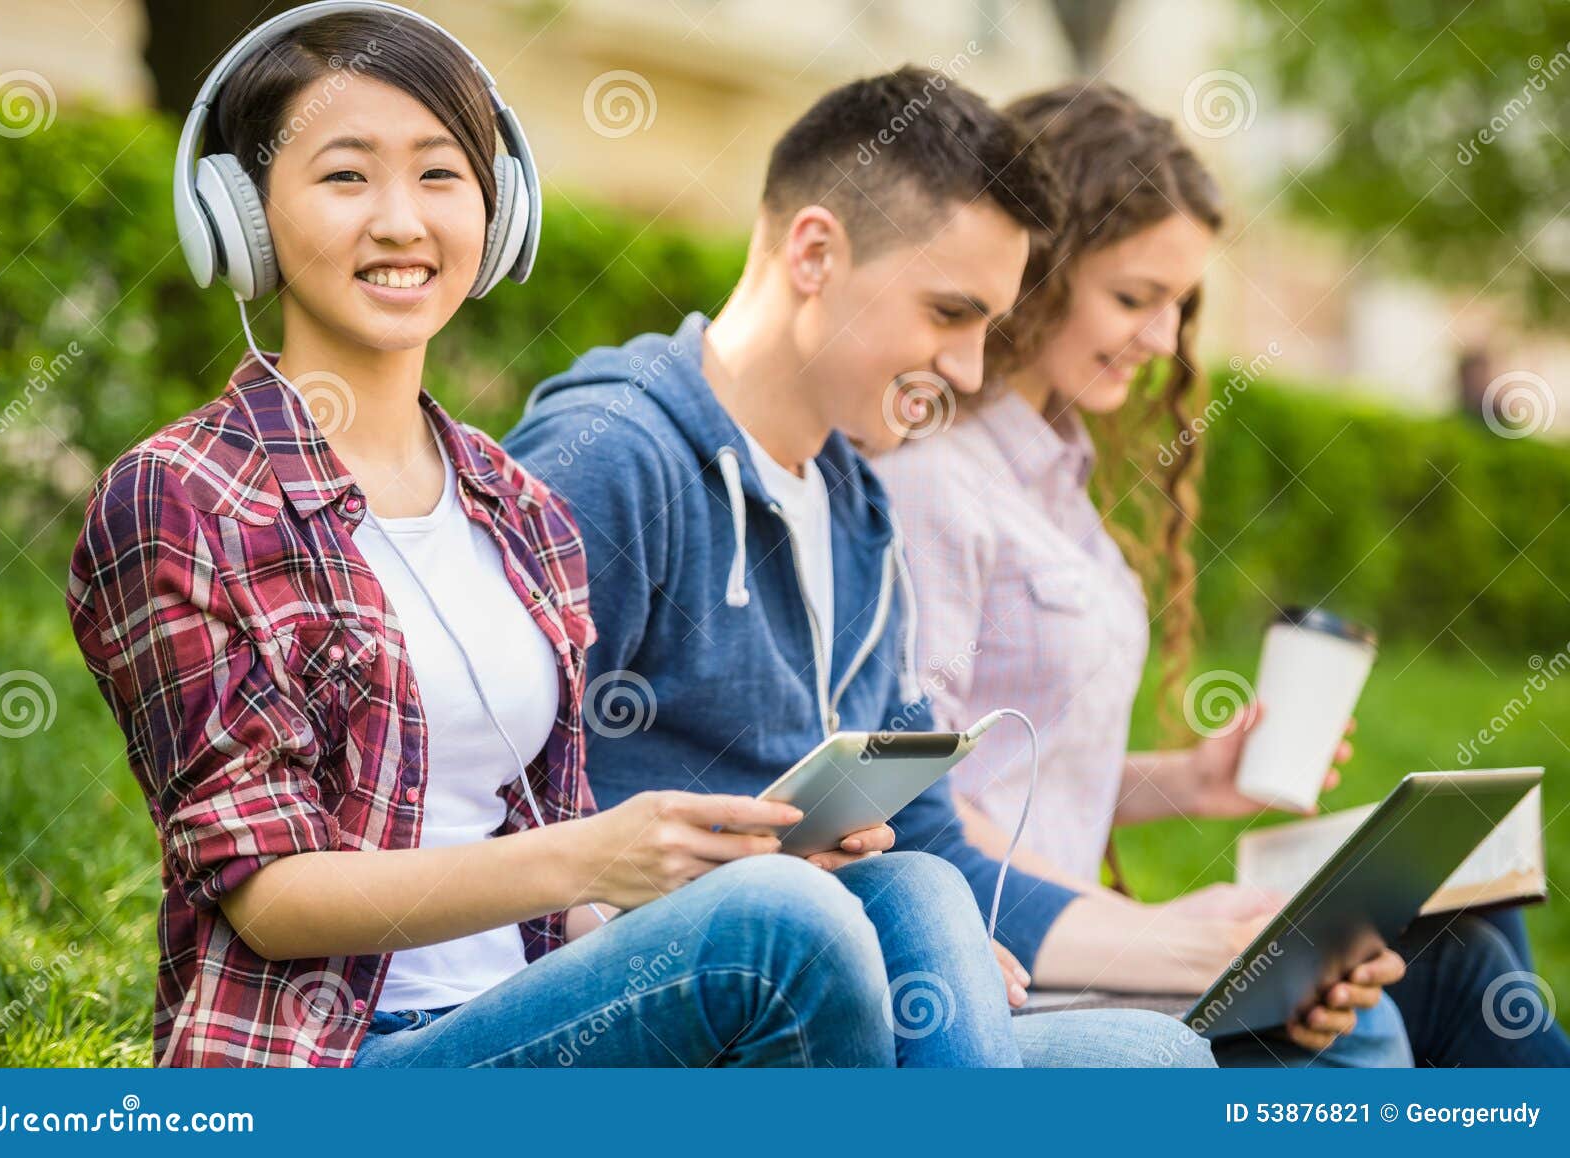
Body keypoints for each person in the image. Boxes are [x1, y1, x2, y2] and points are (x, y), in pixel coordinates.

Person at [65, 4, 1027, 1069]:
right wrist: (594, 858)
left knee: (925, 905)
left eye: (440, 175)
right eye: (345, 177)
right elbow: (270, 898)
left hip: (532, 1016)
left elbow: (560, 912)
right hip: (337, 1064)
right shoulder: (180, 497)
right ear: (241, 217)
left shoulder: (512, 504)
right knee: (782, 928)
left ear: (500, 207)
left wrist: (698, 866)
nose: (400, 221)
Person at [507, 66, 1391, 1066]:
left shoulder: (854, 507)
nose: (971, 371)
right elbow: (484, 818)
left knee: (1141, 1054)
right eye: (948, 314)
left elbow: (927, 832)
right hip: (660, 997)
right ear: (813, 253)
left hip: (822, 970)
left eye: (986, 323)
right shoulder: (615, 457)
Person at [870, 81, 1569, 1067]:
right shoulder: (936, 483)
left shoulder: (1059, 480)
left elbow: (1034, 769)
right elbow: (927, 802)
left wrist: (1188, 779)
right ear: (1038, 268)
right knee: (1428, 977)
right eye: (1132, 297)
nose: (1162, 340)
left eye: (1178, 305)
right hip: (1029, 962)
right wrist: (1148, 937)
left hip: (1089, 940)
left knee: (1467, 924)